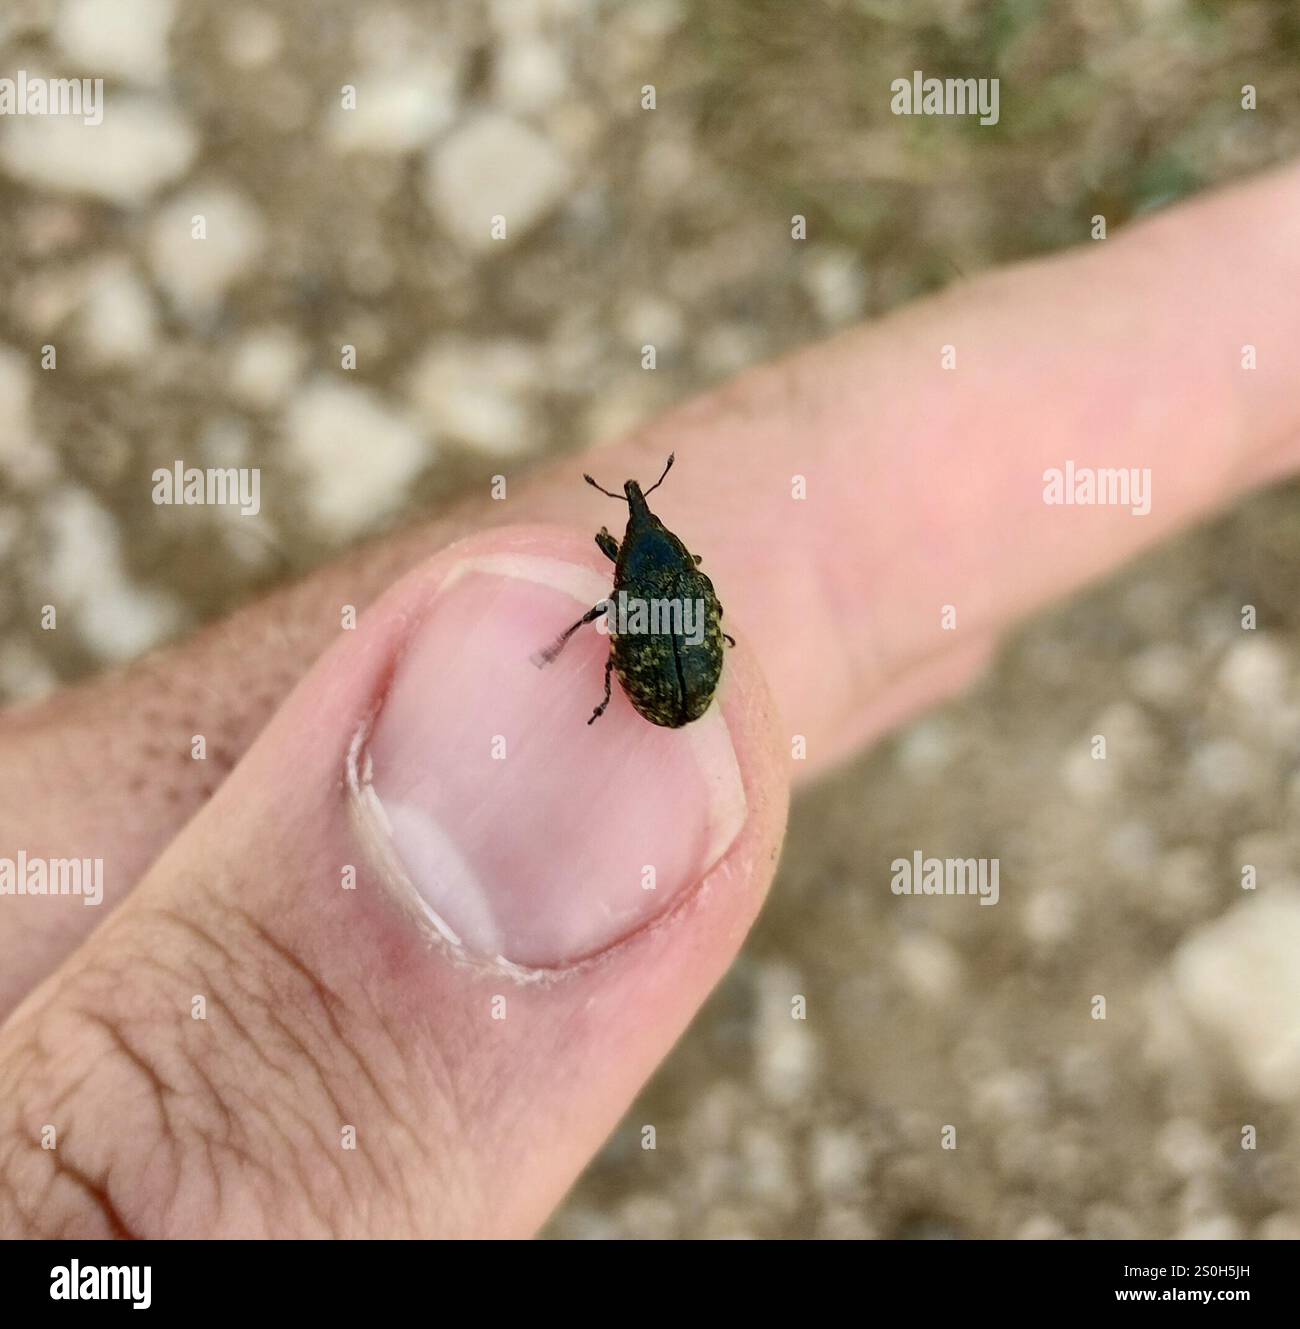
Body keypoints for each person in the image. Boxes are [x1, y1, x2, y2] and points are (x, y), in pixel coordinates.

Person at [0, 164, 1294, 1237]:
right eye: (637, 521)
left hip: (675, 679)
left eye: (639, 524)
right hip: (678, 679)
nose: (633, 529)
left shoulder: (650, 583)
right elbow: (646, 619)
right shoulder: (649, 583)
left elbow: (648, 620)